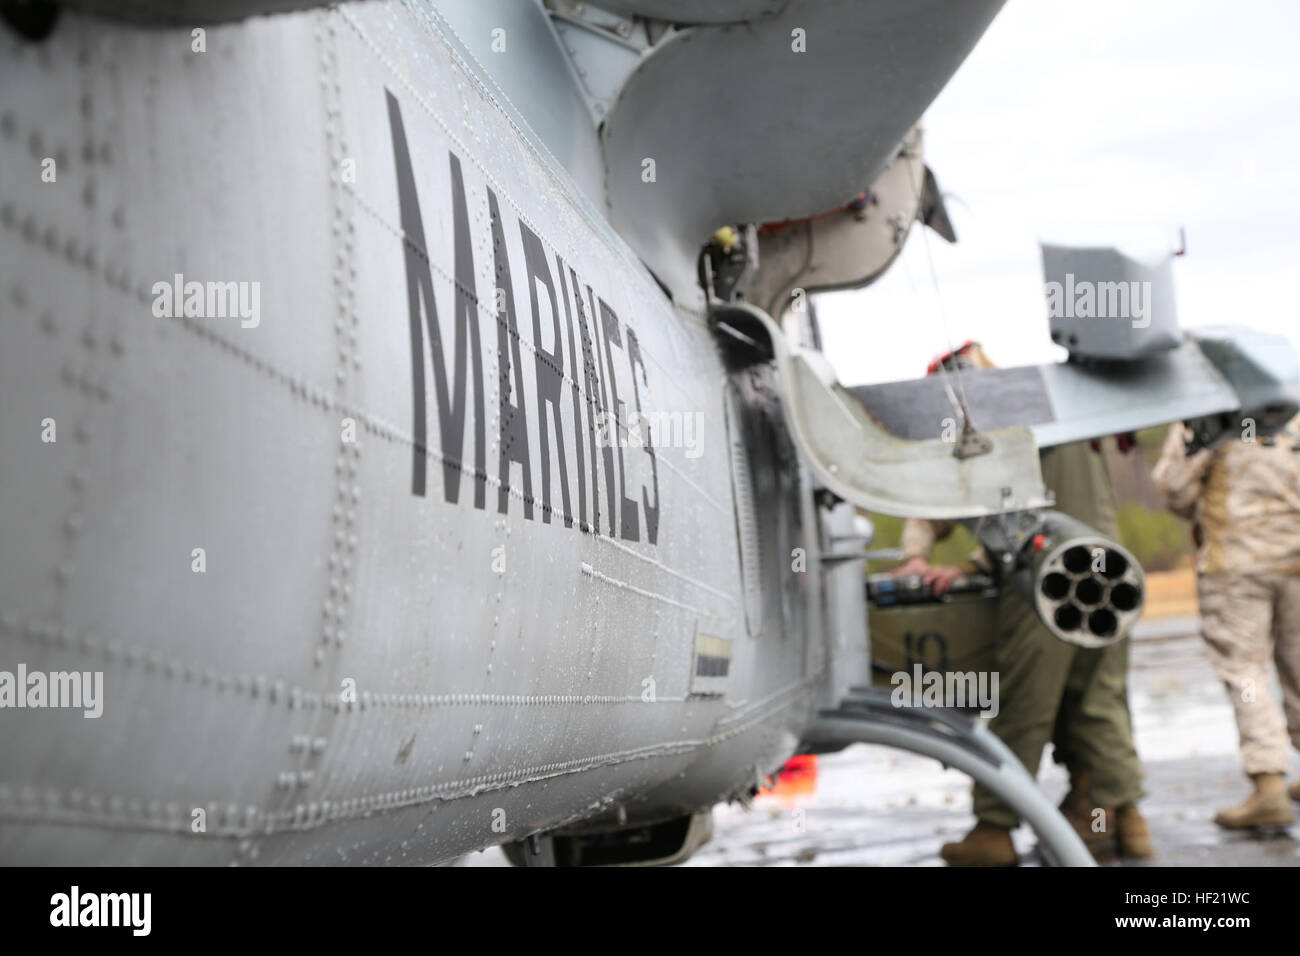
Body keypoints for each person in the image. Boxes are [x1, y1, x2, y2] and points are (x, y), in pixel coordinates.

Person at [895, 341, 1151, 865]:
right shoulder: (1069, 412)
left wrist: (920, 560)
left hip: (1046, 583)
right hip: (1110, 578)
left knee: (1024, 706)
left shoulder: (988, 423)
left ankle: (993, 829)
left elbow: (949, 503)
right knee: (1100, 703)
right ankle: (1121, 819)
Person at [1152, 416, 1300, 828]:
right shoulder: (1290, 407)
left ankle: (1268, 782)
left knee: (1245, 671)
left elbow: (1175, 488)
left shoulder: (1205, 414)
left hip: (1234, 563)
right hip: (1296, 558)